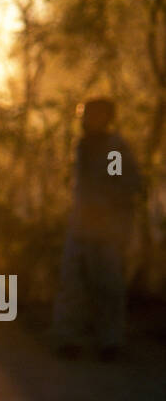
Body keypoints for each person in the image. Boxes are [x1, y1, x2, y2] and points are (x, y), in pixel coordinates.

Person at [50, 98, 144, 361]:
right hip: (80, 226)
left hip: (105, 229)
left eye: (93, 114)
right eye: (86, 113)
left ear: (106, 117)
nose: (87, 118)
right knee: (72, 284)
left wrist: (105, 205)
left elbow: (121, 184)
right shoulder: (81, 145)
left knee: (109, 285)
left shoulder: (114, 149)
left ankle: (109, 342)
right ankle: (68, 339)